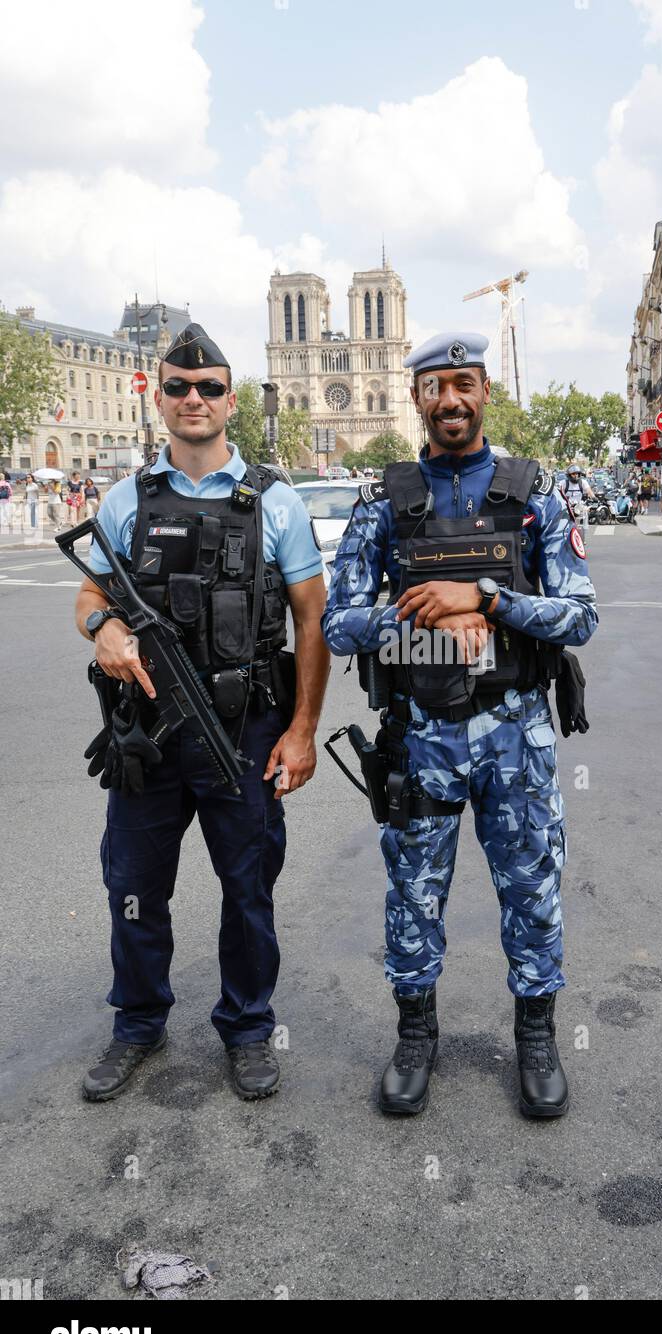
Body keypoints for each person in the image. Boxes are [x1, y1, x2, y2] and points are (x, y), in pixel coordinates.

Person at [322, 332, 598, 1120]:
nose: (450, 399)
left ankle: (537, 1038)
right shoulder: (384, 501)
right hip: (422, 735)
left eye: (464, 383)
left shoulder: (535, 493)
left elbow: (579, 618)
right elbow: (340, 625)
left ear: (485, 392)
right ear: (416, 398)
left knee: (533, 891)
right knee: (413, 895)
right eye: (435, 386)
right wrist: (429, 628)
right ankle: (416, 1038)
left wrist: (486, 599)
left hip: (515, 732)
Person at [73, 324, 330, 1103]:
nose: (194, 400)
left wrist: (302, 731)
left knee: (248, 888)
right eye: (179, 387)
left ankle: (248, 1028)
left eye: (210, 387)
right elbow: (89, 595)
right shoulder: (127, 500)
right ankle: (138, 1023)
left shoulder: (275, 503)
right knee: (135, 886)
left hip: (245, 730)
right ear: (158, 394)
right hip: (149, 733)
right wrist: (104, 628)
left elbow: (311, 621)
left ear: (229, 399)